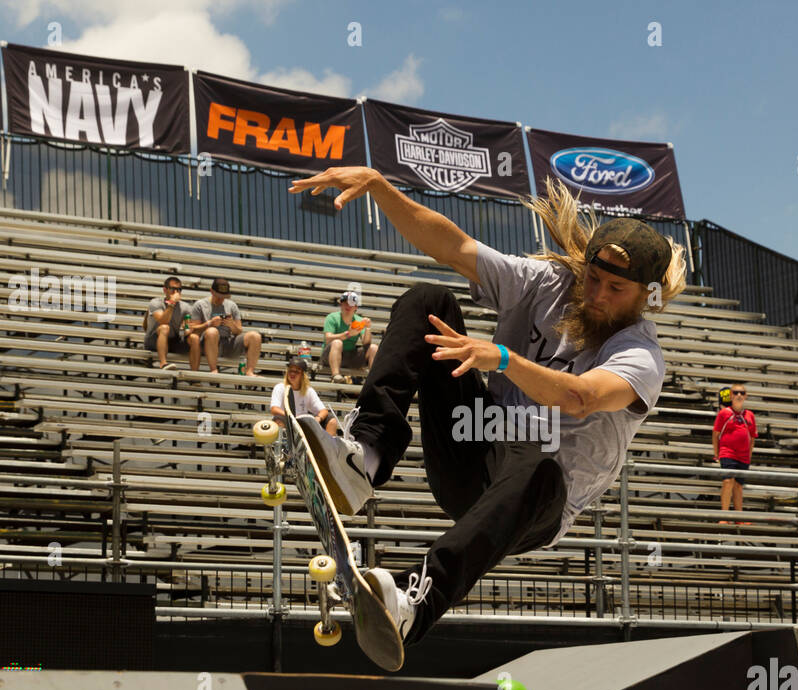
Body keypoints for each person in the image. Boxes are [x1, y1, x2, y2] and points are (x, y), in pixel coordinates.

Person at [288, 167, 685, 655]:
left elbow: (580, 397)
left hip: (535, 497)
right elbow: (453, 247)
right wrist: (379, 186)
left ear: (645, 296)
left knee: (540, 461)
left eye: (615, 290)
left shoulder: (641, 356)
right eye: (594, 279)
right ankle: (365, 455)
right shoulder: (549, 283)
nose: (597, 296)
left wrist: (502, 358)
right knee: (428, 300)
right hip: (473, 449)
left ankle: (415, 601)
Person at [190, 278, 263, 375]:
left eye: (224, 296)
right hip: (206, 343)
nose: (221, 299)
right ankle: (213, 369)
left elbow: (239, 330)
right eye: (218, 296)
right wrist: (209, 324)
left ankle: (250, 371)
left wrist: (232, 326)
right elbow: (192, 329)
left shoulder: (232, 306)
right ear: (211, 291)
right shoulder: (200, 305)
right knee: (212, 331)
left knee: (255, 336)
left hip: (227, 342)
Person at [712, 384, 756, 523]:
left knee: (738, 485)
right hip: (727, 452)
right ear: (731, 396)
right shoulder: (724, 413)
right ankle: (724, 516)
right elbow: (715, 434)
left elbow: (752, 437)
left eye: (742, 393)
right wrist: (717, 453)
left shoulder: (750, 415)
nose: (739, 395)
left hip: (743, 455)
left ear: (746, 396)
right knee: (728, 481)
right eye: (736, 392)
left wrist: (749, 455)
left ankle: (739, 517)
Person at [143, 276, 201, 371]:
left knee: (194, 338)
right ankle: (163, 363)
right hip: (153, 340)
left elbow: (188, 326)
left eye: (179, 289)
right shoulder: (155, 303)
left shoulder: (185, 307)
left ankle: (194, 376)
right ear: (165, 290)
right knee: (165, 327)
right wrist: (172, 303)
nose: (176, 292)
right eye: (173, 289)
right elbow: (163, 321)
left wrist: (189, 329)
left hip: (173, 340)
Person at [270, 358, 339, 435]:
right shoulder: (280, 387)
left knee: (331, 420)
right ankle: (284, 445)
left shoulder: (308, 390)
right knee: (278, 420)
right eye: (290, 370)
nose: (292, 373)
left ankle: (327, 446)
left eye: (296, 371)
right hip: (286, 419)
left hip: (304, 422)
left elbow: (324, 411)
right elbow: (274, 409)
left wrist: (318, 418)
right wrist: (291, 416)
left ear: (303, 375)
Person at [323, 286, 377, 382]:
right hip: (330, 356)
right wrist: (348, 334)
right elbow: (328, 339)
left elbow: (366, 343)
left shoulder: (359, 320)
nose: (348, 306)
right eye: (345, 303)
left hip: (350, 357)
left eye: (351, 304)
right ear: (341, 304)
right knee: (337, 343)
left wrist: (368, 328)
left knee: (373, 347)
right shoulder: (332, 317)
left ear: (356, 307)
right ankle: (336, 375)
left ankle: (374, 380)